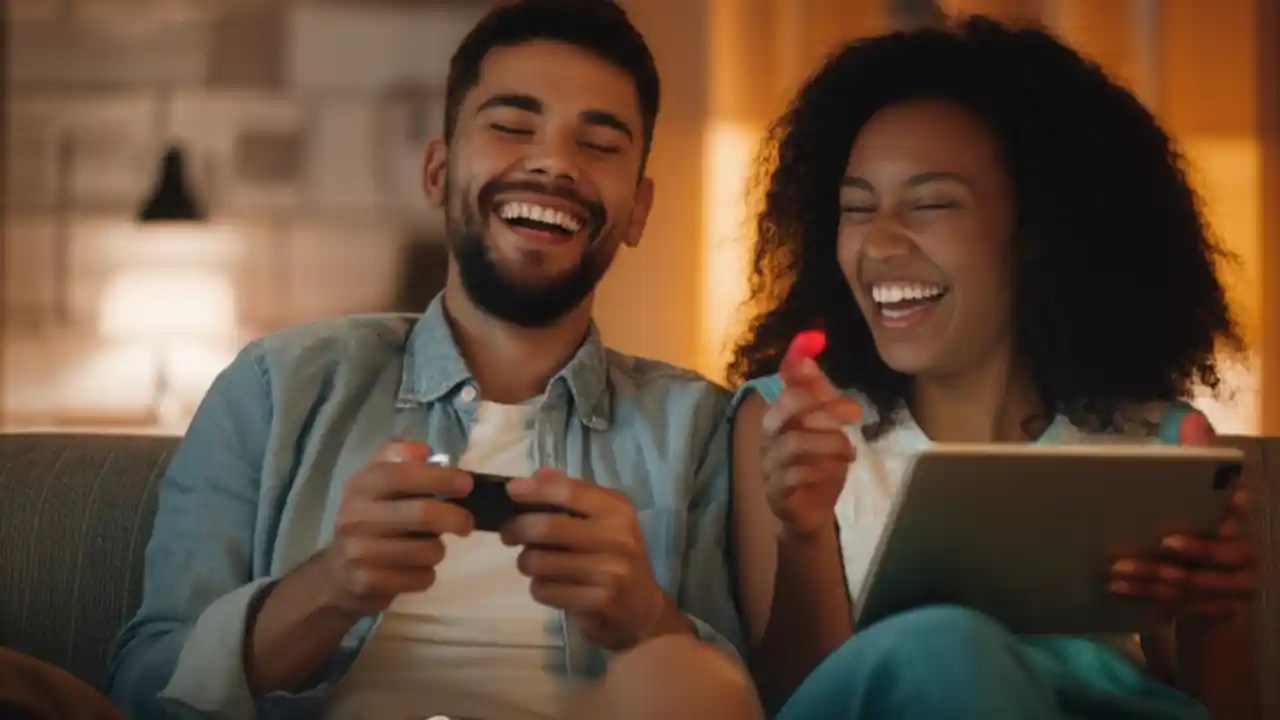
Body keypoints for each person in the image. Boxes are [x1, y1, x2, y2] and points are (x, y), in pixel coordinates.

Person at [106, 2, 748, 718]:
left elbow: (756, 701)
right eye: (511, 126)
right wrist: (329, 589)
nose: (553, 163)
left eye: (599, 144)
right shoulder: (274, 388)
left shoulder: (700, 431)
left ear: (637, 210)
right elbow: (145, 687)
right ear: (439, 171)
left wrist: (647, 620)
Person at [727, 15, 1260, 720]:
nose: (878, 242)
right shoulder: (792, 425)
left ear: (1038, 232)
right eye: (857, 209)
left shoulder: (1163, 445)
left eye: (931, 203)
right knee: (945, 647)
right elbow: (795, 704)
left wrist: (1213, 619)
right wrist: (805, 531)